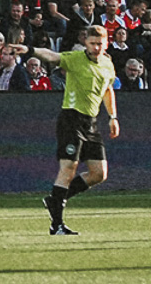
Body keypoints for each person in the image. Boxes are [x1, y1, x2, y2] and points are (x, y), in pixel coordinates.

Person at [9, 25, 118, 235]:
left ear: (106, 44)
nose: (96, 48)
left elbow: (108, 90)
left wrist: (113, 117)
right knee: (68, 168)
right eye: (92, 43)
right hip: (71, 119)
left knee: (99, 173)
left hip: (91, 122)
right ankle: (57, 224)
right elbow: (52, 56)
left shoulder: (107, 64)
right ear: (86, 43)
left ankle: (56, 199)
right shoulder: (75, 59)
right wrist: (30, 50)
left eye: (100, 44)